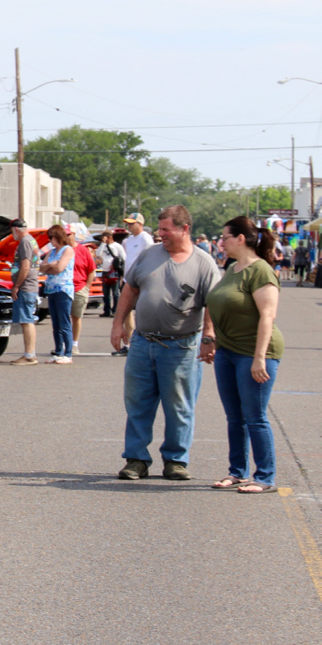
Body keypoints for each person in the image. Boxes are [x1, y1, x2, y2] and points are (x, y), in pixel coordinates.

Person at [111, 205, 219, 481]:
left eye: (166, 230)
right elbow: (130, 289)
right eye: (159, 230)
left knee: (179, 407)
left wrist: (208, 337)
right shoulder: (149, 255)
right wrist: (118, 324)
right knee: (138, 403)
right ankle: (136, 459)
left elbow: (213, 305)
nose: (160, 235)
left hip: (182, 347)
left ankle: (176, 460)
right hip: (143, 344)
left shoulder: (203, 263)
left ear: (185, 229)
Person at [205, 216, 285, 494]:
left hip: (254, 352)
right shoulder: (232, 267)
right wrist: (210, 338)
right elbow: (216, 303)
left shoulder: (261, 270)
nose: (221, 243)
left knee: (255, 416)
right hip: (227, 351)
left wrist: (259, 358)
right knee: (234, 417)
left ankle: (265, 477)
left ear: (240, 239)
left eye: (225, 237)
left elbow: (267, 316)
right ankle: (237, 472)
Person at [115, 213, 153, 356]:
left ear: (140, 224)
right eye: (128, 223)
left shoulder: (146, 238)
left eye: (132, 223)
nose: (129, 226)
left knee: (142, 312)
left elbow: (150, 258)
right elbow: (127, 260)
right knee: (126, 312)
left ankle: (143, 342)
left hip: (142, 280)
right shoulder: (127, 241)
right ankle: (129, 344)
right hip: (128, 280)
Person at [39, 225, 75, 364]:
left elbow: (60, 268)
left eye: (51, 237)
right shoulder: (52, 252)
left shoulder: (68, 250)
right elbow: (41, 267)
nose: (50, 240)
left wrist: (51, 267)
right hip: (51, 289)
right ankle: (58, 351)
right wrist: (51, 265)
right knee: (56, 323)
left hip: (63, 289)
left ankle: (68, 353)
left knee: (64, 321)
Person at [8, 219, 41, 366]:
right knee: (27, 320)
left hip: (26, 287)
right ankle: (30, 354)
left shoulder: (25, 242)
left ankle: (29, 355)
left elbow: (26, 266)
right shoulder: (31, 241)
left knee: (26, 320)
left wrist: (17, 286)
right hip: (29, 286)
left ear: (15, 229)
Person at [69, 237, 98, 355]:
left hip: (79, 287)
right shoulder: (60, 249)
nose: (66, 236)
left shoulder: (83, 250)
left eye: (68, 234)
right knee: (63, 318)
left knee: (76, 316)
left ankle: (74, 344)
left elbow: (92, 270)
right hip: (62, 289)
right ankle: (63, 344)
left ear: (73, 235)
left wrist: (86, 287)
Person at [97, 232, 126, 318]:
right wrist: (102, 243)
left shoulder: (117, 246)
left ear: (109, 237)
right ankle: (107, 310)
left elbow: (123, 258)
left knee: (115, 293)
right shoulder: (103, 246)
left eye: (104, 238)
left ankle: (115, 310)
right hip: (105, 271)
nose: (103, 239)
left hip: (114, 272)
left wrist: (116, 264)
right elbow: (98, 254)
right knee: (106, 293)